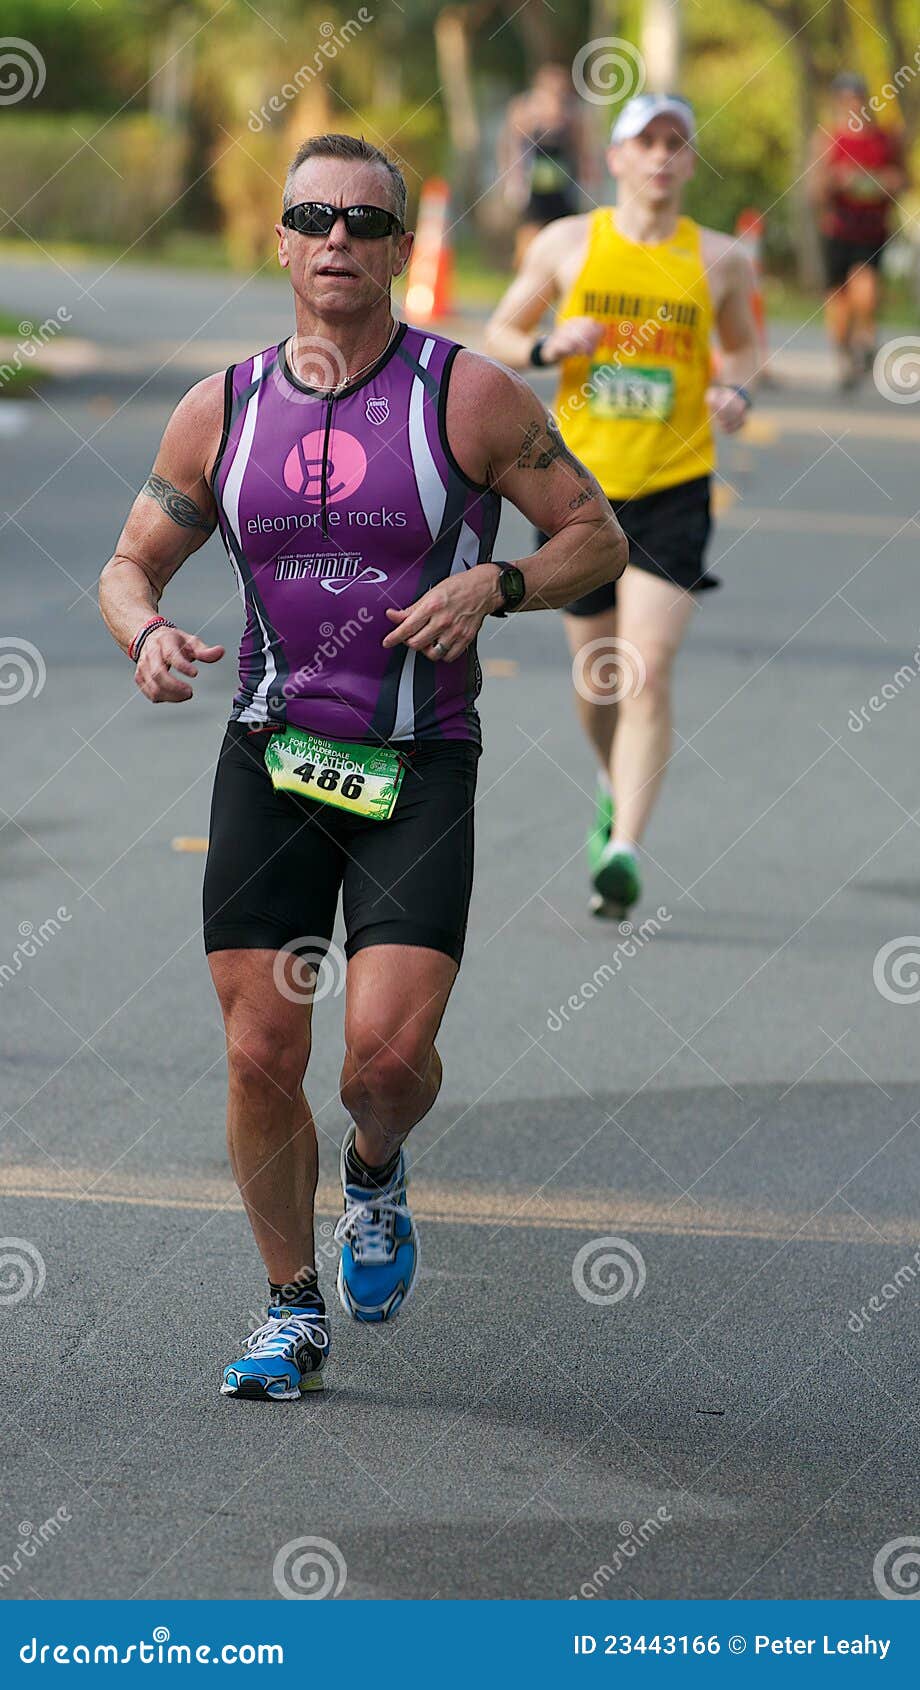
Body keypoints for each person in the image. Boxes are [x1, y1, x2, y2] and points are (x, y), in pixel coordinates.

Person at [98, 134, 626, 1401]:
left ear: (397, 249)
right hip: (272, 757)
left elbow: (595, 539)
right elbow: (128, 565)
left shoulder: (470, 396)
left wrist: (496, 582)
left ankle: (376, 1171)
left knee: (379, 1065)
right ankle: (289, 1308)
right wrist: (148, 631)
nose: (335, 237)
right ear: (280, 243)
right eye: (310, 216)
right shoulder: (219, 409)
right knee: (258, 1052)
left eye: (361, 220)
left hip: (417, 760)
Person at [486, 93, 758, 918]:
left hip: (675, 486)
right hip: (576, 490)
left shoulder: (720, 259)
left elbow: (743, 342)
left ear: (689, 159)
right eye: (649, 142)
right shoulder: (570, 244)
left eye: (679, 142)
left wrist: (734, 387)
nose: (665, 156)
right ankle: (612, 781)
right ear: (618, 158)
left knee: (646, 670)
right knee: (597, 678)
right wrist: (547, 344)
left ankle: (624, 850)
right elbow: (499, 332)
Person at [808, 73, 907, 390]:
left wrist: (886, 182)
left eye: (857, 99)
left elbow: (904, 181)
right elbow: (814, 191)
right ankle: (845, 356)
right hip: (838, 228)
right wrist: (836, 180)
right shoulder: (827, 139)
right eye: (845, 100)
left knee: (866, 291)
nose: (852, 106)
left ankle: (865, 340)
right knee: (839, 301)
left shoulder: (886, 140)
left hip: (872, 230)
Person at [498, 62, 586, 266]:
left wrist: (587, 180)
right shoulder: (523, 109)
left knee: (565, 236)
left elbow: (582, 150)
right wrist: (510, 180)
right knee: (530, 236)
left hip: (562, 187)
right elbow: (509, 145)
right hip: (533, 187)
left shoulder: (572, 115)